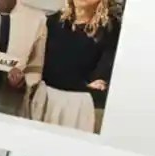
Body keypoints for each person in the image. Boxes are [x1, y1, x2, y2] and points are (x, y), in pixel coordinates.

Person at [30, 0, 120, 133]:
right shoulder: (53, 21)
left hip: (81, 104)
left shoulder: (110, 29)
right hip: (47, 100)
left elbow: (107, 64)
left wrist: (100, 79)